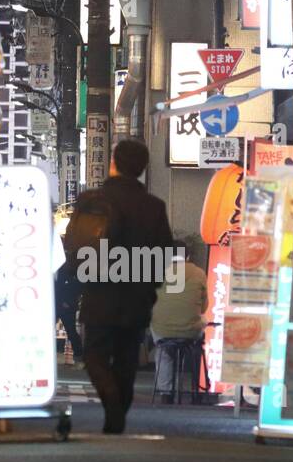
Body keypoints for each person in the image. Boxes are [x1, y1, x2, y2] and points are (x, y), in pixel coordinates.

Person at [68, 138, 173, 434]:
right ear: (142, 168)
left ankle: (111, 401)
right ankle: (116, 416)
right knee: (127, 359)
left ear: (113, 162)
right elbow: (164, 252)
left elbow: (75, 243)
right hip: (137, 295)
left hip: (99, 292)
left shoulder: (92, 200)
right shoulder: (153, 207)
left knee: (94, 355)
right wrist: (149, 284)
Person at [149, 241, 208, 398]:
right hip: (190, 332)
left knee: (163, 349)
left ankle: (165, 391)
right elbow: (203, 307)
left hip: (162, 330)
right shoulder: (199, 273)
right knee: (203, 320)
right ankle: (197, 387)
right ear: (187, 256)